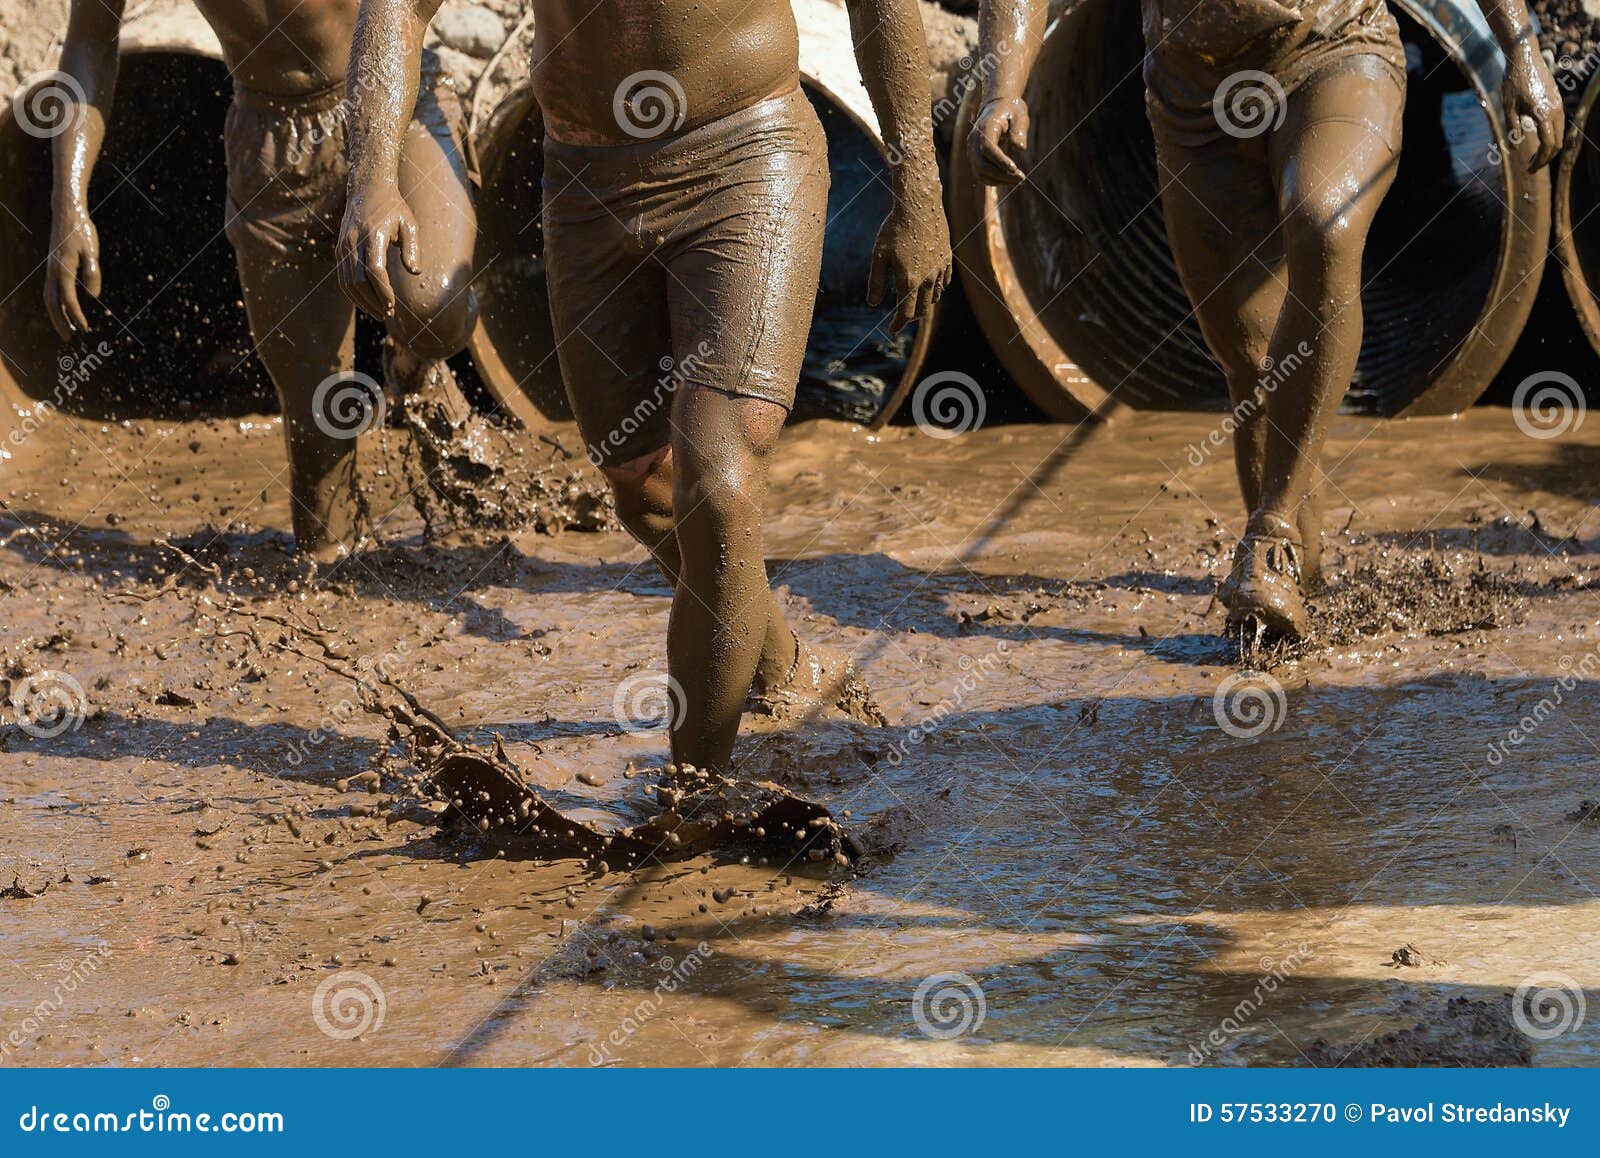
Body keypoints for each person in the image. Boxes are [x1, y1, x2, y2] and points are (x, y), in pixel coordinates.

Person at [340, 0, 951, 775]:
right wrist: (372, 180)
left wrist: (920, 190)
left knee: (719, 484)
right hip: (587, 186)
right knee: (646, 492)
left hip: (746, 152)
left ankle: (695, 797)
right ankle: (782, 668)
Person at [969, 0, 1562, 639]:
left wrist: (1520, 49)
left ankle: (1271, 534)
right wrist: (1003, 90)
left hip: (1337, 50)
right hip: (1192, 100)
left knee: (1323, 223)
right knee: (1248, 358)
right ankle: (1290, 598)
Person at [45, 0, 481, 562]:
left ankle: (413, 360)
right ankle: (342, 601)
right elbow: (89, 42)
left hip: (393, 94)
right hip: (272, 137)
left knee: (433, 309)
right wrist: (69, 205)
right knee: (316, 451)